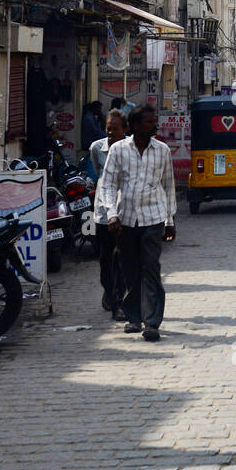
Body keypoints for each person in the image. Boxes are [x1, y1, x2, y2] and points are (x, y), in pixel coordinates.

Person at [96, 105, 176, 342]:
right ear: (136, 125)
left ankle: (152, 323)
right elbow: (108, 185)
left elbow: (168, 186)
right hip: (126, 219)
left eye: (155, 121)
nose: (155, 125)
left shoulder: (162, 150)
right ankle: (134, 317)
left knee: (151, 268)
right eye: (150, 122)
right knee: (130, 270)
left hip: (154, 217)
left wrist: (170, 220)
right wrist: (111, 214)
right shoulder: (119, 150)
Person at [90, 109, 129, 319]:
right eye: (108, 129)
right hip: (103, 214)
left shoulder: (131, 149)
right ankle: (108, 288)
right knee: (105, 259)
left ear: (125, 130)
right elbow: (100, 175)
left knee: (122, 257)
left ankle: (119, 301)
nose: (111, 132)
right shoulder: (97, 148)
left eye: (115, 129)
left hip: (125, 212)